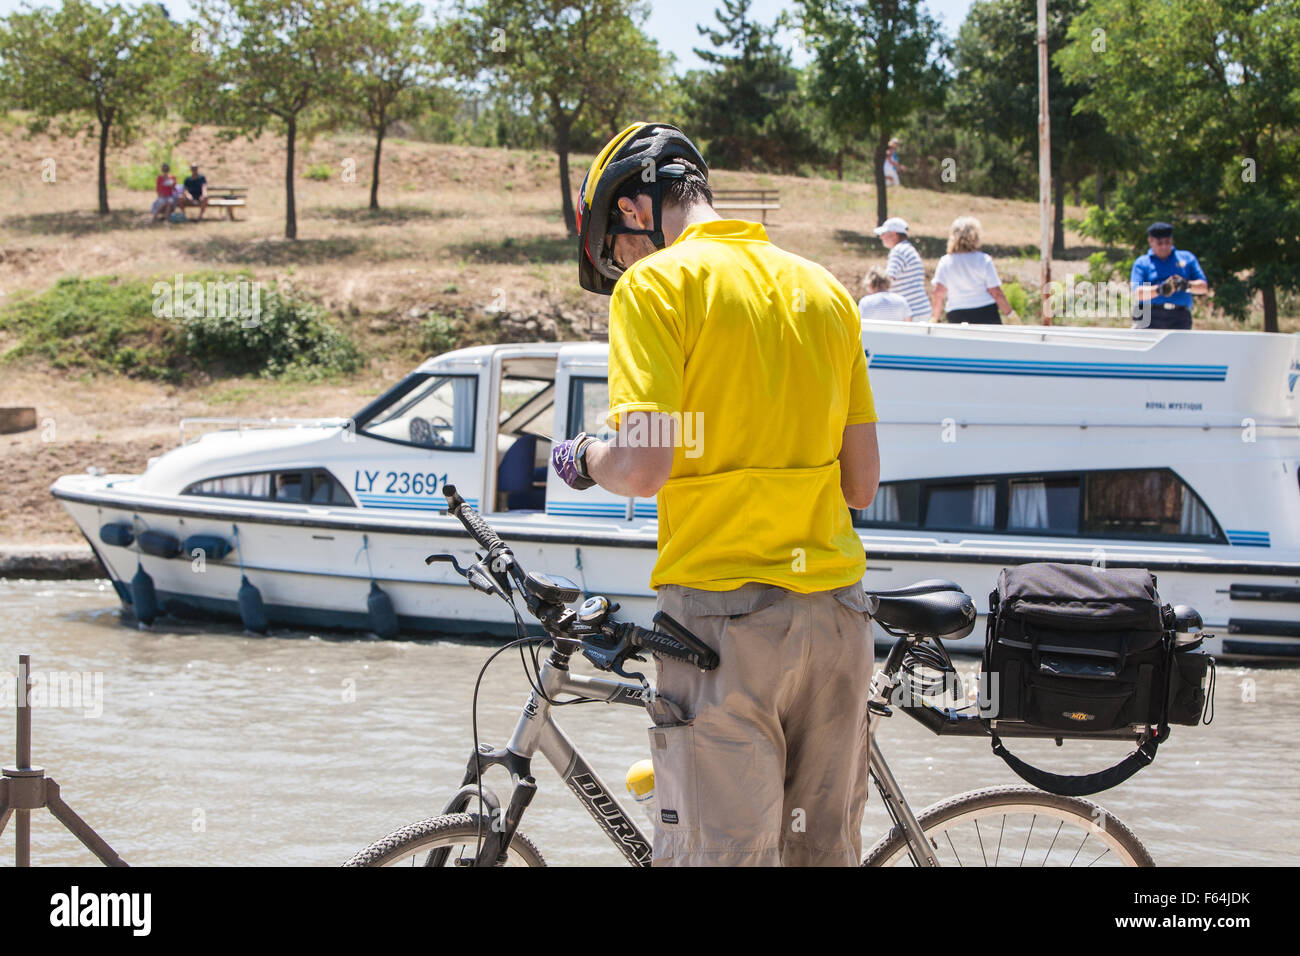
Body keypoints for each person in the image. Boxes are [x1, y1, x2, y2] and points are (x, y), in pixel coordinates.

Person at [553, 122, 881, 867]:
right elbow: (861, 485)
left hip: (724, 621)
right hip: (838, 618)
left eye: (615, 246)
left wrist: (584, 455)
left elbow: (642, 469)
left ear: (635, 209)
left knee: (720, 856)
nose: (621, 264)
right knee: (822, 855)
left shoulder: (658, 287)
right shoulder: (825, 292)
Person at [931, 216, 1019, 324]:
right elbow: (996, 292)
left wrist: (935, 318)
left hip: (956, 313)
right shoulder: (983, 260)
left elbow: (938, 293)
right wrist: (1010, 314)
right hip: (985, 312)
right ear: (976, 236)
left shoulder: (945, 262)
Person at [1129, 222, 1209, 330]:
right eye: (1160, 243)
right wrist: (1160, 289)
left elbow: (1203, 288)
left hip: (1179, 316)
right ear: (1150, 241)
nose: (1164, 246)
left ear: (1172, 240)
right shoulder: (1142, 263)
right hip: (1148, 314)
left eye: (1167, 242)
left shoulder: (1187, 258)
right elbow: (1137, 294)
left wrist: (1186, 285)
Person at [875, 216, 929, 321]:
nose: (881, 237)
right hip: (920, 309)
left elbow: (888, 279)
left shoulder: (898, 251)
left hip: (911, 312)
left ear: (894, 234)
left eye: (883, 234)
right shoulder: (908, 249)